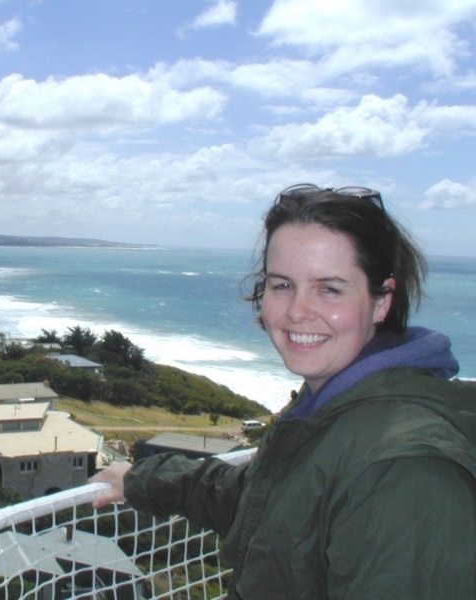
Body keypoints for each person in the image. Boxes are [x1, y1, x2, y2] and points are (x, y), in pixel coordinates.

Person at [91, 184, 476, 599]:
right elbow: (257, 497)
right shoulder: (330, 413)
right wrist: (141, 479)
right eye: (282, 285)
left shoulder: (404, 472)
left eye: (329, 288)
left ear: (382, 301)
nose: (297, 311)